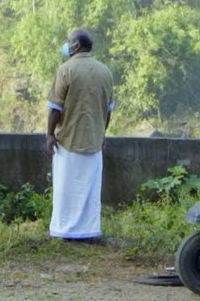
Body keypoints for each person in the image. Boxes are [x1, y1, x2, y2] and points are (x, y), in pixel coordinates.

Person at [45, 28, 115, 241]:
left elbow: (55, 108)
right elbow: (108, 109)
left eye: (69, 42)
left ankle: (64, 230)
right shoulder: (105, 72)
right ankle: (89, 231)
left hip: (68, 140)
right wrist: (102, 133)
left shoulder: (66, 70)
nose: (66, 45)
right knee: (90, 191)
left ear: (75, 46)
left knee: (66, 190)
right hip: (94, 141)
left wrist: (50, 134)